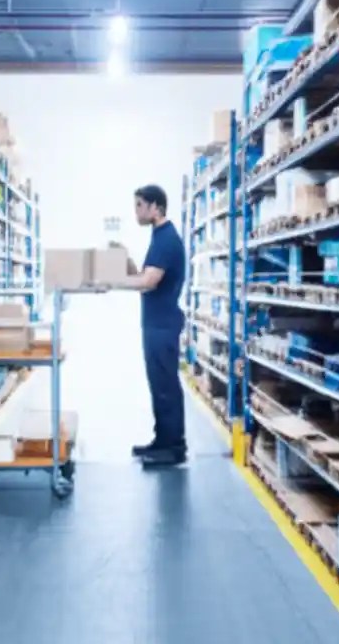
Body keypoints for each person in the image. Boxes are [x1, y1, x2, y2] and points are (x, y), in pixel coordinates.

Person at [126, 184, 187, 466]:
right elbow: (145, 276)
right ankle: (162, 440)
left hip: (162, 325)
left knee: (165, 386)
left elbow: (149, 282)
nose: (136, 211)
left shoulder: (166, 239)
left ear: (155, 207)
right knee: (159, 384)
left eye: (140, 205)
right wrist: (126, 264)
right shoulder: (160, 236)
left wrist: (113, 282)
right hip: (157, 323)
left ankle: (173, 447)